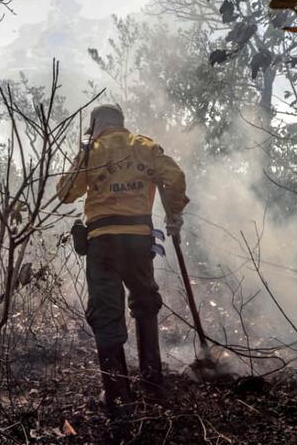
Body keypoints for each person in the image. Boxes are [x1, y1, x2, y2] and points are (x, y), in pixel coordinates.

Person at [56, 104, 188, 415]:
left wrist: (83, 153)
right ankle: (152, 383)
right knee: (145, 303)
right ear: (121, 123)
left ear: (94, 126)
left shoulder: (91, 152)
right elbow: (175, 177)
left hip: (102, 243)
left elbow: (65, 193)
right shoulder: (144, 146)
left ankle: (117, 395)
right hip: (139, 240)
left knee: (107, 313)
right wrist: (175, 212)